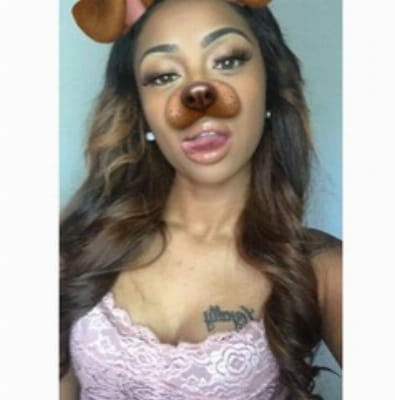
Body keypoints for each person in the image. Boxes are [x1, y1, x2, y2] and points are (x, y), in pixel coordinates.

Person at [60, 0, 342, 398]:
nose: (198, 93)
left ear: (270, 83)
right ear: (141, 110)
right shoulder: (80, 244)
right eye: (163, 76)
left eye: (227, 60)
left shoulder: (323, 271)